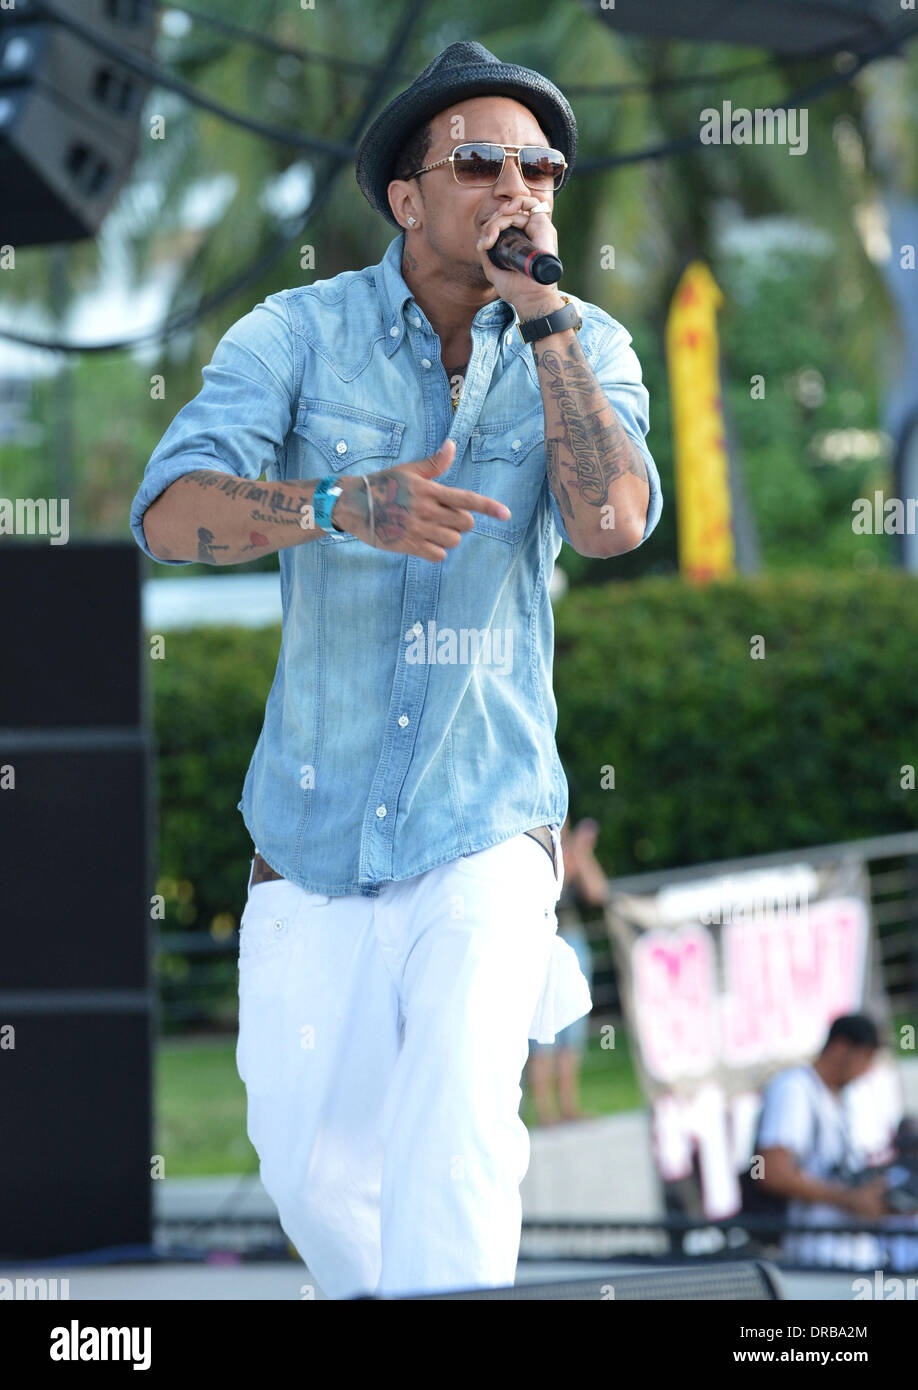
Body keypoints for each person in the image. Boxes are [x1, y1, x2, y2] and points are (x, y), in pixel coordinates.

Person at [129, 41, 662, 1299]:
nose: (518, 187)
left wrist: (542, 319)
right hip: (306, 837)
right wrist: (334, 504)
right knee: (307, 1166)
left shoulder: (585, 347)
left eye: (541, 166)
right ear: (407, 197)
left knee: (457, 1126)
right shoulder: (293, 334)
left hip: (486, 820)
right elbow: (166, 513)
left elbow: (614, 523)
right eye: (480, 161)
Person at [752, 1013, 895, 1264]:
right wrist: (849, 1199)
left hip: (847, 1258)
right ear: (840, 1048)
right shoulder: (794, 1088)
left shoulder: (835, 1098)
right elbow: (768, 1172)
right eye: (865, 1058)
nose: (866, 1070)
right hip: (812, 1258)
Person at [528, 816, 608, 1124]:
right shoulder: (532, 848)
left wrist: (582, 853)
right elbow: (555, 885)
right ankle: (546, 1113)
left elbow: (597, 892)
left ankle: (569, 1107)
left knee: (571, 1031)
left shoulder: (571, 848)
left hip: (572, 941)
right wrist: (574, 855)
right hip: (540, 941)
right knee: (542, 1032)